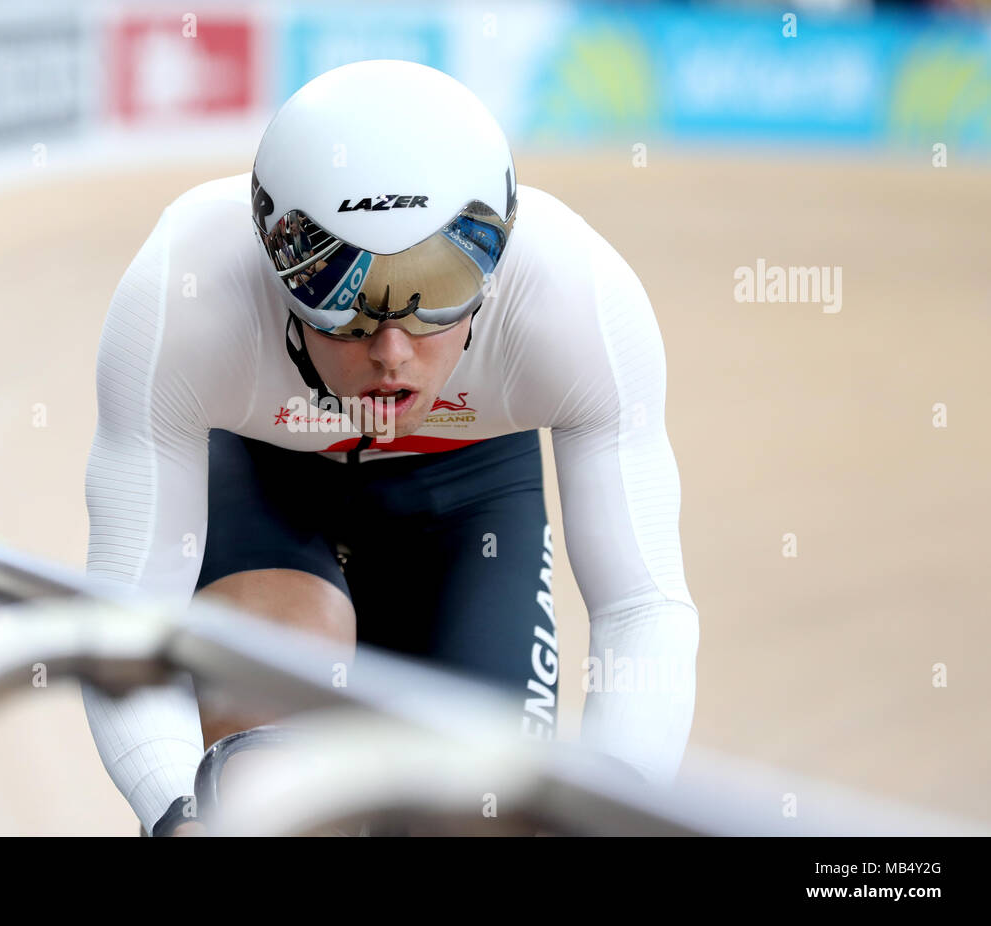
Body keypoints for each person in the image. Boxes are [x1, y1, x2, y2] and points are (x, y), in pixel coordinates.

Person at [81, 59, 699, 836]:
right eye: (343, 296)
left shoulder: (578, 298)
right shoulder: (182, 292)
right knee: (268, 791)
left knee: (478, 814)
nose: (392, 351)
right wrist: (178, 811)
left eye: (437, 287)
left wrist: (612, 810)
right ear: (279, 268)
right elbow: (124, 618)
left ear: (495, 264)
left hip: (468, 501)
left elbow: (641, 606)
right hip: (270, 483)